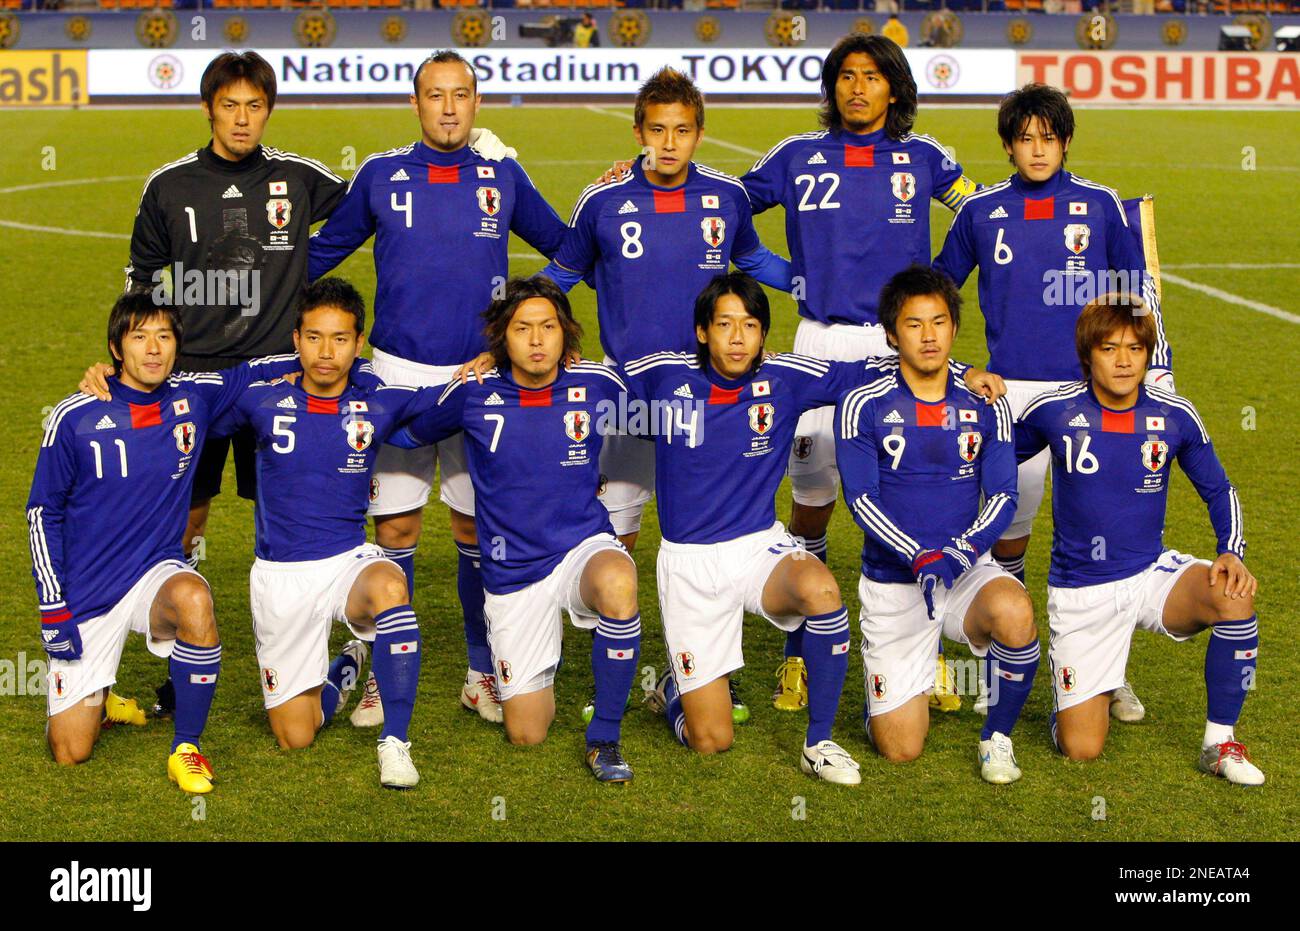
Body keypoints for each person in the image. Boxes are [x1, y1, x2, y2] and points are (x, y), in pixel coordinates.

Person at [628, 274, 996, 782]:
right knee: (711, 741)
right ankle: (676, 692)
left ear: (763, 335)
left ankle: (818, 741)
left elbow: (882, 366)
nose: (738, 337)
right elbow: (590, 383)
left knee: (821, 588)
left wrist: (964, 371)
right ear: (701, 332)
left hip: (758, 547)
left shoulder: (784, 377)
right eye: (725, 325)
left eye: (750, 325)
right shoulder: (663, 376)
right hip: (688, 563)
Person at [309, 50, 567, 727]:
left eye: (460, 95)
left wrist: (531, 323)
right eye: (434, 95)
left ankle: (481, 669)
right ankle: (374, 667)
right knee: (394, 526)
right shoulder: (381, 173)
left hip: (480, 380)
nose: (448, 107)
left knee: (475, 527)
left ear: (477, 103)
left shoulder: (501, 175)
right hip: (395, 376)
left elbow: (568, 246)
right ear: (416, 103)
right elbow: (314, 256)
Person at [741, 33, 980, 713]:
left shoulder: (925, 157)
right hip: (818, 346)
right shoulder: (797, 155)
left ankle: (921, 655)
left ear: (895, 89)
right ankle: (796, 658)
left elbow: (984, 213)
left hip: (897, 349)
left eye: (871, 77)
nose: (856, 88)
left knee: (911, 500)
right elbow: (726, 207)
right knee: (811, 502)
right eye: (845, 76)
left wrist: (941, 286)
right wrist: (777, 274)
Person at [30, 292, 338, 793]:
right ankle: (100, 697)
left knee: (195, 597)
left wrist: (351, 362)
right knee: (70, 752)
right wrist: (54, 608)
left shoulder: (191, 396)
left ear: (177, 346)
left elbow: (257, 369)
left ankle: (186, 747)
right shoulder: (76, 417)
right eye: (139, 337)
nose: (153, 349)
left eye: (164, 336)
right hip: (88, 591)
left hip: (156, 572)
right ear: (115, 348)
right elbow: (42, 513)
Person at [933, 83, 1173, 722]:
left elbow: (1135, 298)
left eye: (1048, 137)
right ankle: (992, 660)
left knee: (1100, 535)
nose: (1036, 150)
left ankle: (1107, 674)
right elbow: (935, 299)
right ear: (1009, 145)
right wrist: (960, 368)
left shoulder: (1098, 206)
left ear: (1065, 141)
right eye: (1024, 139)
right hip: (1010, 396)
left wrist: (1157, 375)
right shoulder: (981, 211)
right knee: (1001, 528)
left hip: (1091, 398)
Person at [391, 277, 641, 783]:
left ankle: (605, 737)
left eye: (548, 327)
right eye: (522, 328)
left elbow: (670, 412)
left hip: (581, 549)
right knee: (526, 733)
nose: (536, 340)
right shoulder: (475, 393)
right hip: (513, 573)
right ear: (501, 338)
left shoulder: (597, 385)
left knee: (618, 581)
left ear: (565, 334)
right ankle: (537, 664)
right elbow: (403, 425)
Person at [209, 278, 451, 789]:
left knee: (390, 586)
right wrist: (108, 377)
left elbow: (450, 399)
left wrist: (486, 370)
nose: (326, 351)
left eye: (340, 339)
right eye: (314, 337)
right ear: (295, 340)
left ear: (358, 344)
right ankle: (346, 670)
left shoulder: (379, 400)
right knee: (294, 736)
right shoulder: (257, 398)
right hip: (281, 576)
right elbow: (182, 400)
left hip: (348, 564)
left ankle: (395, 742)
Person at [1015, 296, 1261, 785]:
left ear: (1149, 354)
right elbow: (992, 460)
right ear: (1089, 355)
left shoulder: (1175, 415)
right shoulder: (1054, 411)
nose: (1124, 361)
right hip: (1081, 591)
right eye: (1110, 348)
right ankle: (1083, 694)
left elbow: (1219, 489)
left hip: (1150, 573)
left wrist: (1231, 548)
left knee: (1233, 596)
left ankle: (1219, 742)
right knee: (1081, 749)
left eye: (1135, 348)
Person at [835, 267, 1037, 783]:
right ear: (890, 333)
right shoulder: (863, 403)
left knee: (1014, 610)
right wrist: (920, 555)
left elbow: (1003, 495)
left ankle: (997, 737)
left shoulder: (986, 402)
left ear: (953, 328)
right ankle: (895, 691)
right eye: (914, 324)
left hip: (964, 569)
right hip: (894, 580)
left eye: (939, 322)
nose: (929, 336)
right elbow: (861, 500)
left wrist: (959, 554)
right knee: (900, 750)